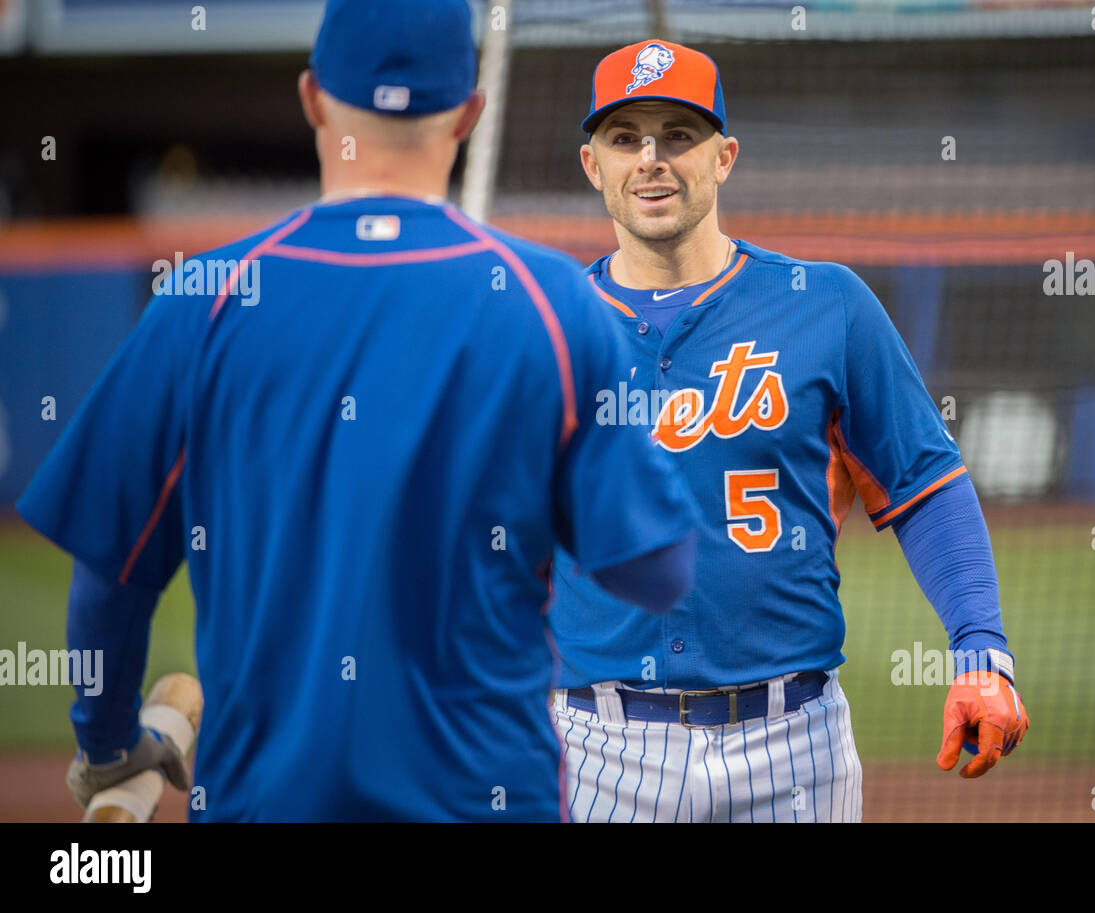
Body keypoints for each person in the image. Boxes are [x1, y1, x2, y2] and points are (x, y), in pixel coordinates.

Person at [17, 1, 697, 823]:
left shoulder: (205, 295)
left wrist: (105, 744)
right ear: (470, 111)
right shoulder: (553, 303)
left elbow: (108, 579)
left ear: (311, 99)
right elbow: (657, 571)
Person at [547, 39, 1028, 823]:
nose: (652, 160)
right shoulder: (544, 326)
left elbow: (925, 485)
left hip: (792, 743)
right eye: (626, 138)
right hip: (600, 747)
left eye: (679, 135)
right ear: (592, 164)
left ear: (725, 156)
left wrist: (982, 650)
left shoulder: (825, 304)